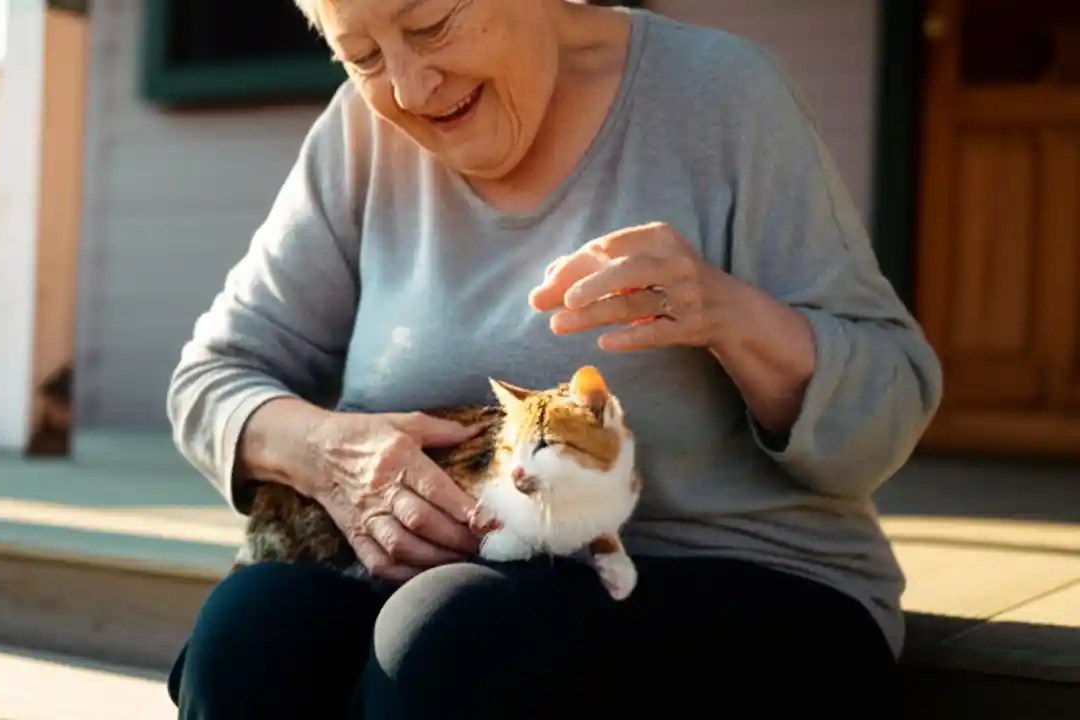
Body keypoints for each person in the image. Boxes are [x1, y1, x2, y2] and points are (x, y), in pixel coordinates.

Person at [164, 0, 943, 717]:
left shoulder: (722, 95)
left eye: (431, 23)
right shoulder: (358, 137)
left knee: (451, 640)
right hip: (456, 580)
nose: (408, 85)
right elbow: (212, 379)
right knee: (250, 631)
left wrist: (729, 313)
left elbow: (891, 402)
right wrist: (325, 450)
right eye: (362, 55)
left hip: (745, 577)